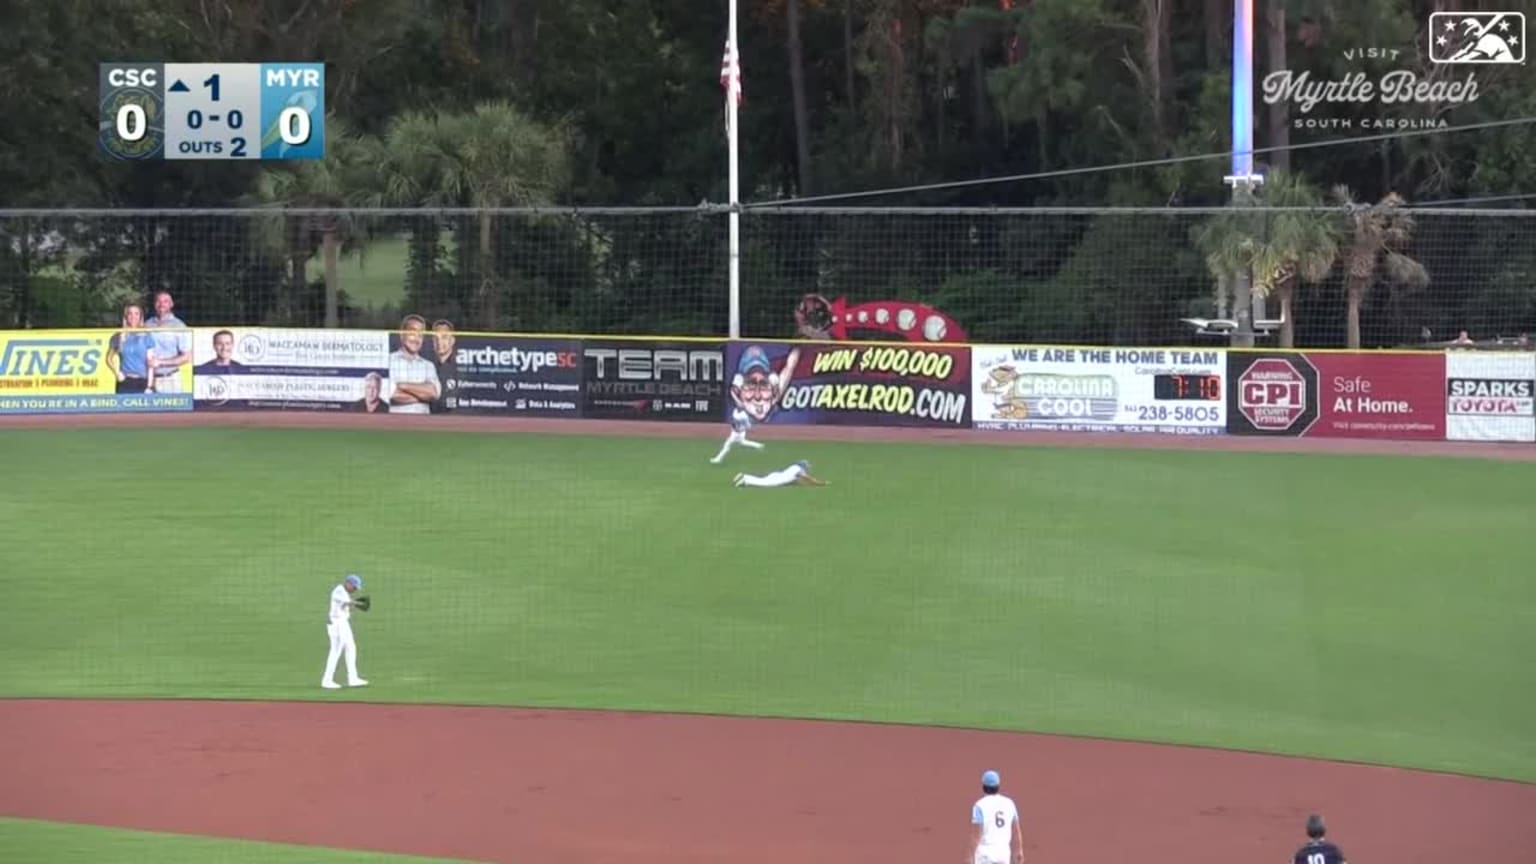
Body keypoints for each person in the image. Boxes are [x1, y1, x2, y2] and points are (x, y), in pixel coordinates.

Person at [383, 314, 441, 414]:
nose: (416, 339)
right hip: (394, 421)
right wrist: (422, 397)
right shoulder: (387, 361)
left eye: (420, 335)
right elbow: (391, 394)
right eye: (413, 333)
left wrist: (402, 385)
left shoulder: (428, 366)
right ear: (402, 335)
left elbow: (433, 393)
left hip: (423, 421)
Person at [321, 573, 368, 689]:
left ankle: (353, 678)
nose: (355, 590)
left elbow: (346, 604)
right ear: (348, 583)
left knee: (351, 648)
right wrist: (359, 603)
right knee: (335, 651)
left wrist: (354, 603)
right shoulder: (338, 590)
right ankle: (327, 680)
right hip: (336, 624)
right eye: (354, 587)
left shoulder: (345, 592)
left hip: (343, 623)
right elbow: (348, 602)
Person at [968, 769, 1022, 864]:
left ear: (983, 786)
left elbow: (976, 835)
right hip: (1003, 853)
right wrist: (1019, 851)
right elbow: (1016, 831)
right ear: (998, 786)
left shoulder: (979, 805)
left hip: (985, 854)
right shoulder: (1009, 803)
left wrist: (970, 856)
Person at [145, 291, 192, 392]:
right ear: (154, 304)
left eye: (165, 301)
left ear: (171, 304)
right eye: (158, 301)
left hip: (170, 379)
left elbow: (187, 357)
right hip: (147, 379)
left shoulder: (179, 326)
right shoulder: (146, 324)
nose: (161, 304)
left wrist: (160, 362)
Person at [105, 303, 154, 394]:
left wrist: (149, 386)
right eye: (130, 313)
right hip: (125, 381)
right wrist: (117, 373)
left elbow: (150, 364)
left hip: (142, 381)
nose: (133, 316)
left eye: (136, 313)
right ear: (126, 316)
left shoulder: (147, 336)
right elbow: (108, 359)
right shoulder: (118, 336)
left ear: (140, 317)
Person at [429, 319, 459, 413]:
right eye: (436, 338)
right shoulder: (427, 366)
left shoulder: (460, 366)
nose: (439, 342)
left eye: (444, 337)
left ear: (452, 340)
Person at [732, 460, 828, 488]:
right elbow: (808, 478)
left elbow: (798, 481)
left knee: (762, 480)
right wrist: (821, 483)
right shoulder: (799, 469)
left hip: (777, 475)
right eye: (806, 466)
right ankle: (745, 480)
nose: (807, 467)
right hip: (778, 478)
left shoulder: (794, 467)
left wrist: (805, 484)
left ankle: (745, 476)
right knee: (764, 484)